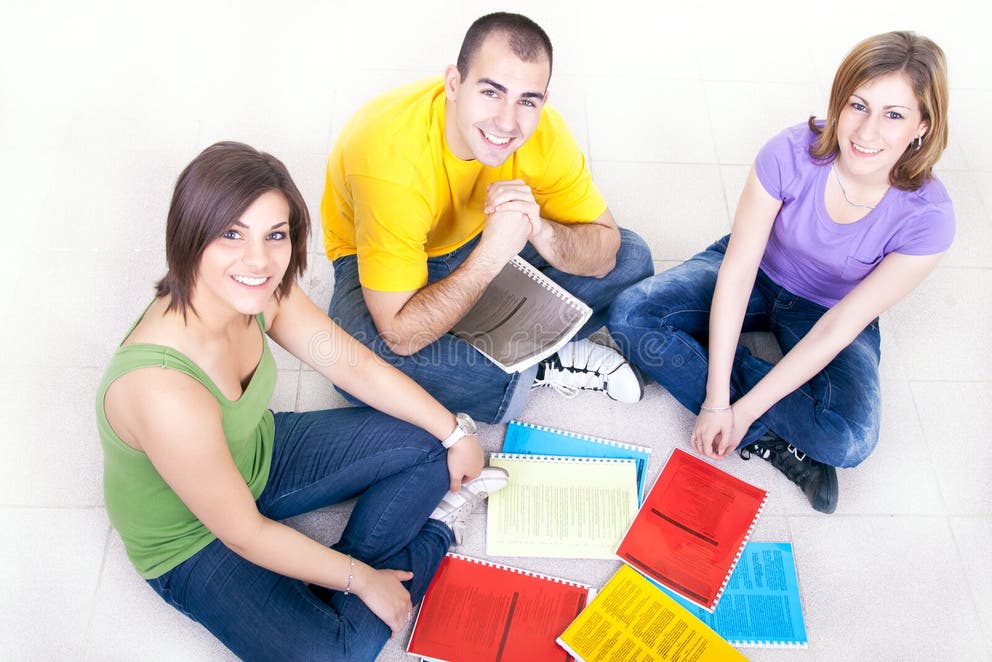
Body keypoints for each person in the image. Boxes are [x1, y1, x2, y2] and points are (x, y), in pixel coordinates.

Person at [95, 141, 509, 661]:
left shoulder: (262, 290)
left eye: (276, 235)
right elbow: (244, 533)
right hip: (191, 536)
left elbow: (350, 363)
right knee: (340, 652)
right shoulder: (163, 391)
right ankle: (433, 532)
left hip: (258, 455)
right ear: (189, 237)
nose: (259, 260)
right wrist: (364, 581)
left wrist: (456, 432)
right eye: (231, 234)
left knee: (432, 440)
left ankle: (332, 583)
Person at [607, 31, 953, 514]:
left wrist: (739, 410)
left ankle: (726, 386)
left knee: (849, 440)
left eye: (893, 115)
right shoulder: (789, 152)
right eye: (858, 105)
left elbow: (838, 328)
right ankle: (773, 434)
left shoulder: (929, 220)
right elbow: (738, 269)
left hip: (830, 309)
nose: (867, 131)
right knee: (630, 316)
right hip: (757, 272)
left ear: (922, 125)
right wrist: (713, 401)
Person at [321, 12, 654, 424]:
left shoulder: (544, 131)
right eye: (492, 92)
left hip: (487, 234)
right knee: (349, 354)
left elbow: (605, 254)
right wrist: (493, 254)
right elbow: (401, 334)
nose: (507, 122)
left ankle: (486, 359)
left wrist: (540, 229)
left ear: (543, 101)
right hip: (378, 257)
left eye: (526, 100)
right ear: (454, 84)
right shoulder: (388, 156)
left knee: (631, 257)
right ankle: (539, 362)